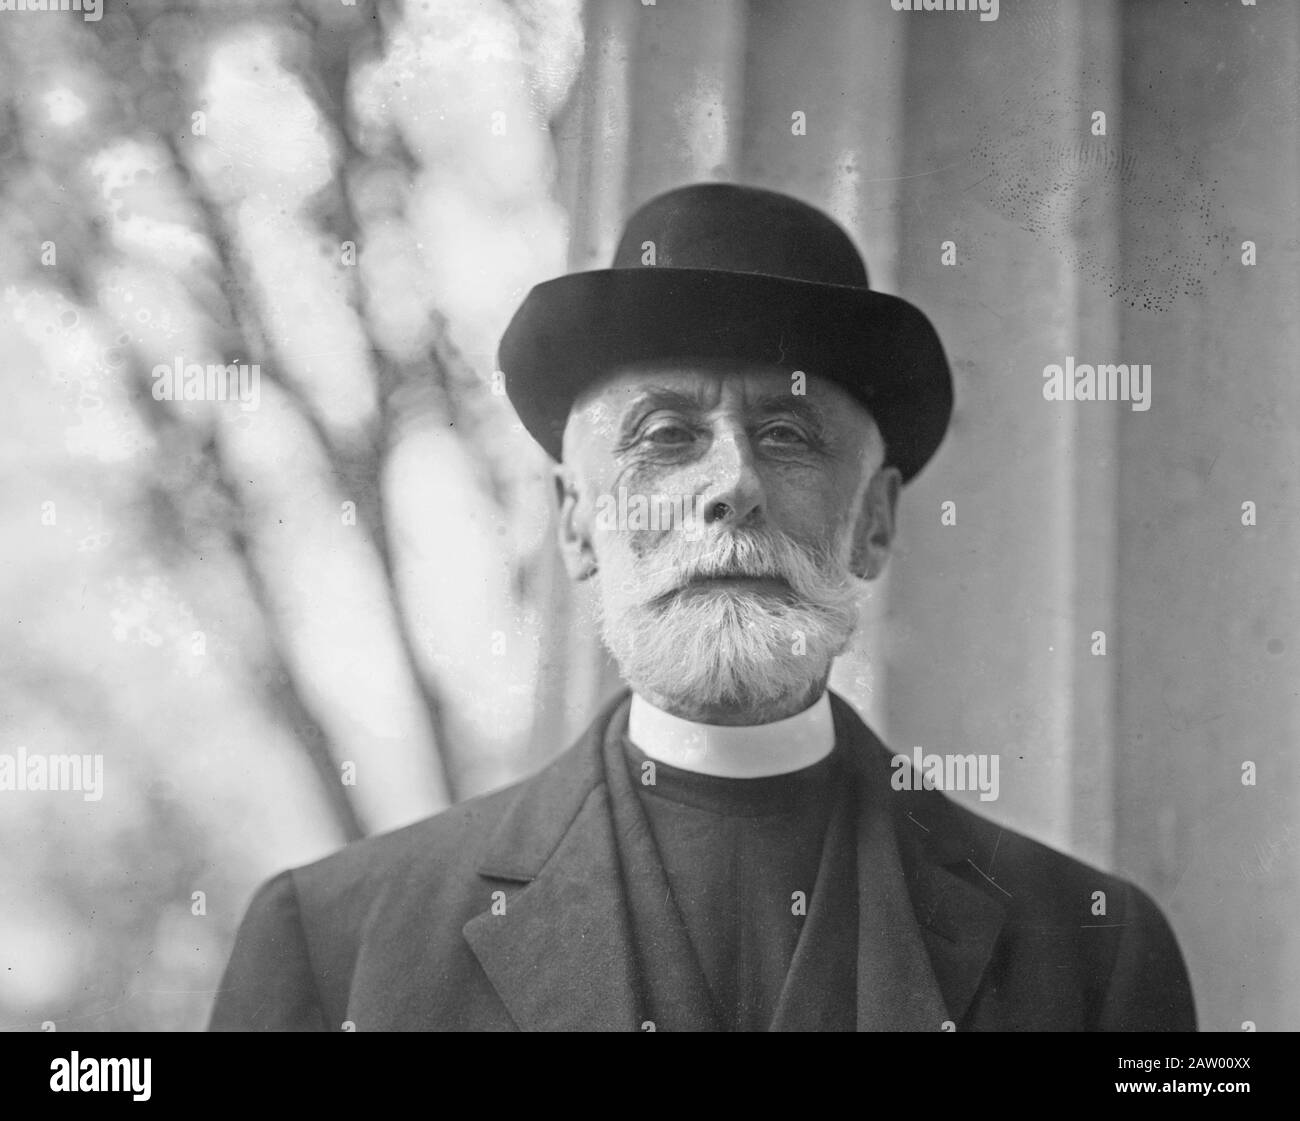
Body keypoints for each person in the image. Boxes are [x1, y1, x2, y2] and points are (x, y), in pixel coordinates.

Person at [209, 183, 1196, 1031]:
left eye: (788, 432)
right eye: (667, 431)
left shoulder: (1091, 954)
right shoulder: (335, 943)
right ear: (577, 522)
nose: (731, 484)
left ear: (875, 521)